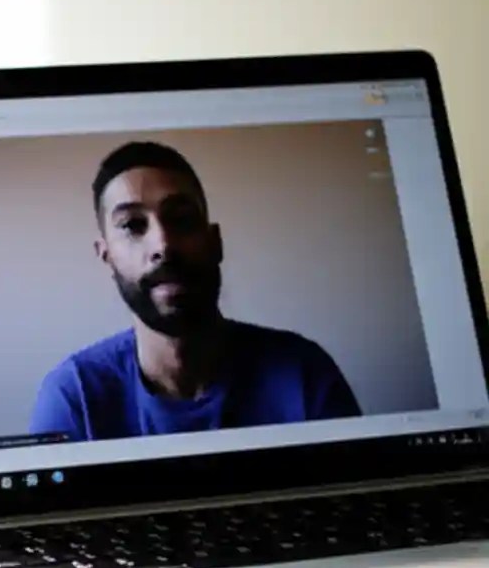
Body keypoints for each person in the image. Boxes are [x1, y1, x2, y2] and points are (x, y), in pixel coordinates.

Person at [29, 141, 361, 441]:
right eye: (132, 225)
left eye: (182, 219)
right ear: (107, 255)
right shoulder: (74, 396)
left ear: (215, 242)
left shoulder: (303, 373)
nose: (163, 244)